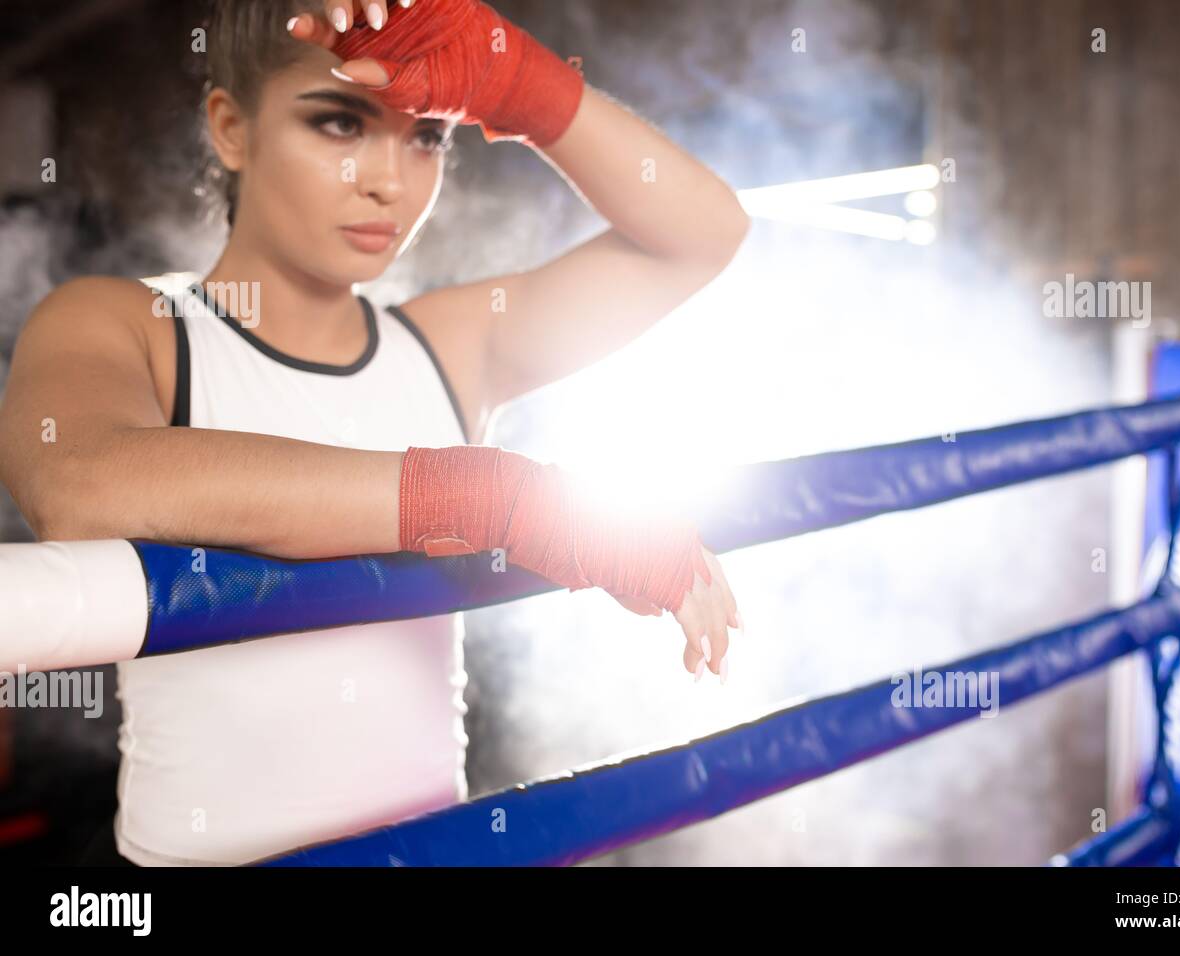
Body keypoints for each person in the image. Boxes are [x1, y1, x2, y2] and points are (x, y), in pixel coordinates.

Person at [0, 0, 748, 866]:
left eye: (427, 135)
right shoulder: (131, 323)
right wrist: (498, 499)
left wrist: (520, 82)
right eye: (340, 123)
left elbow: (701, 235)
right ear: (232, 129)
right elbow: (82, 483)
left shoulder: (453, 345)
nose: (389, 180)